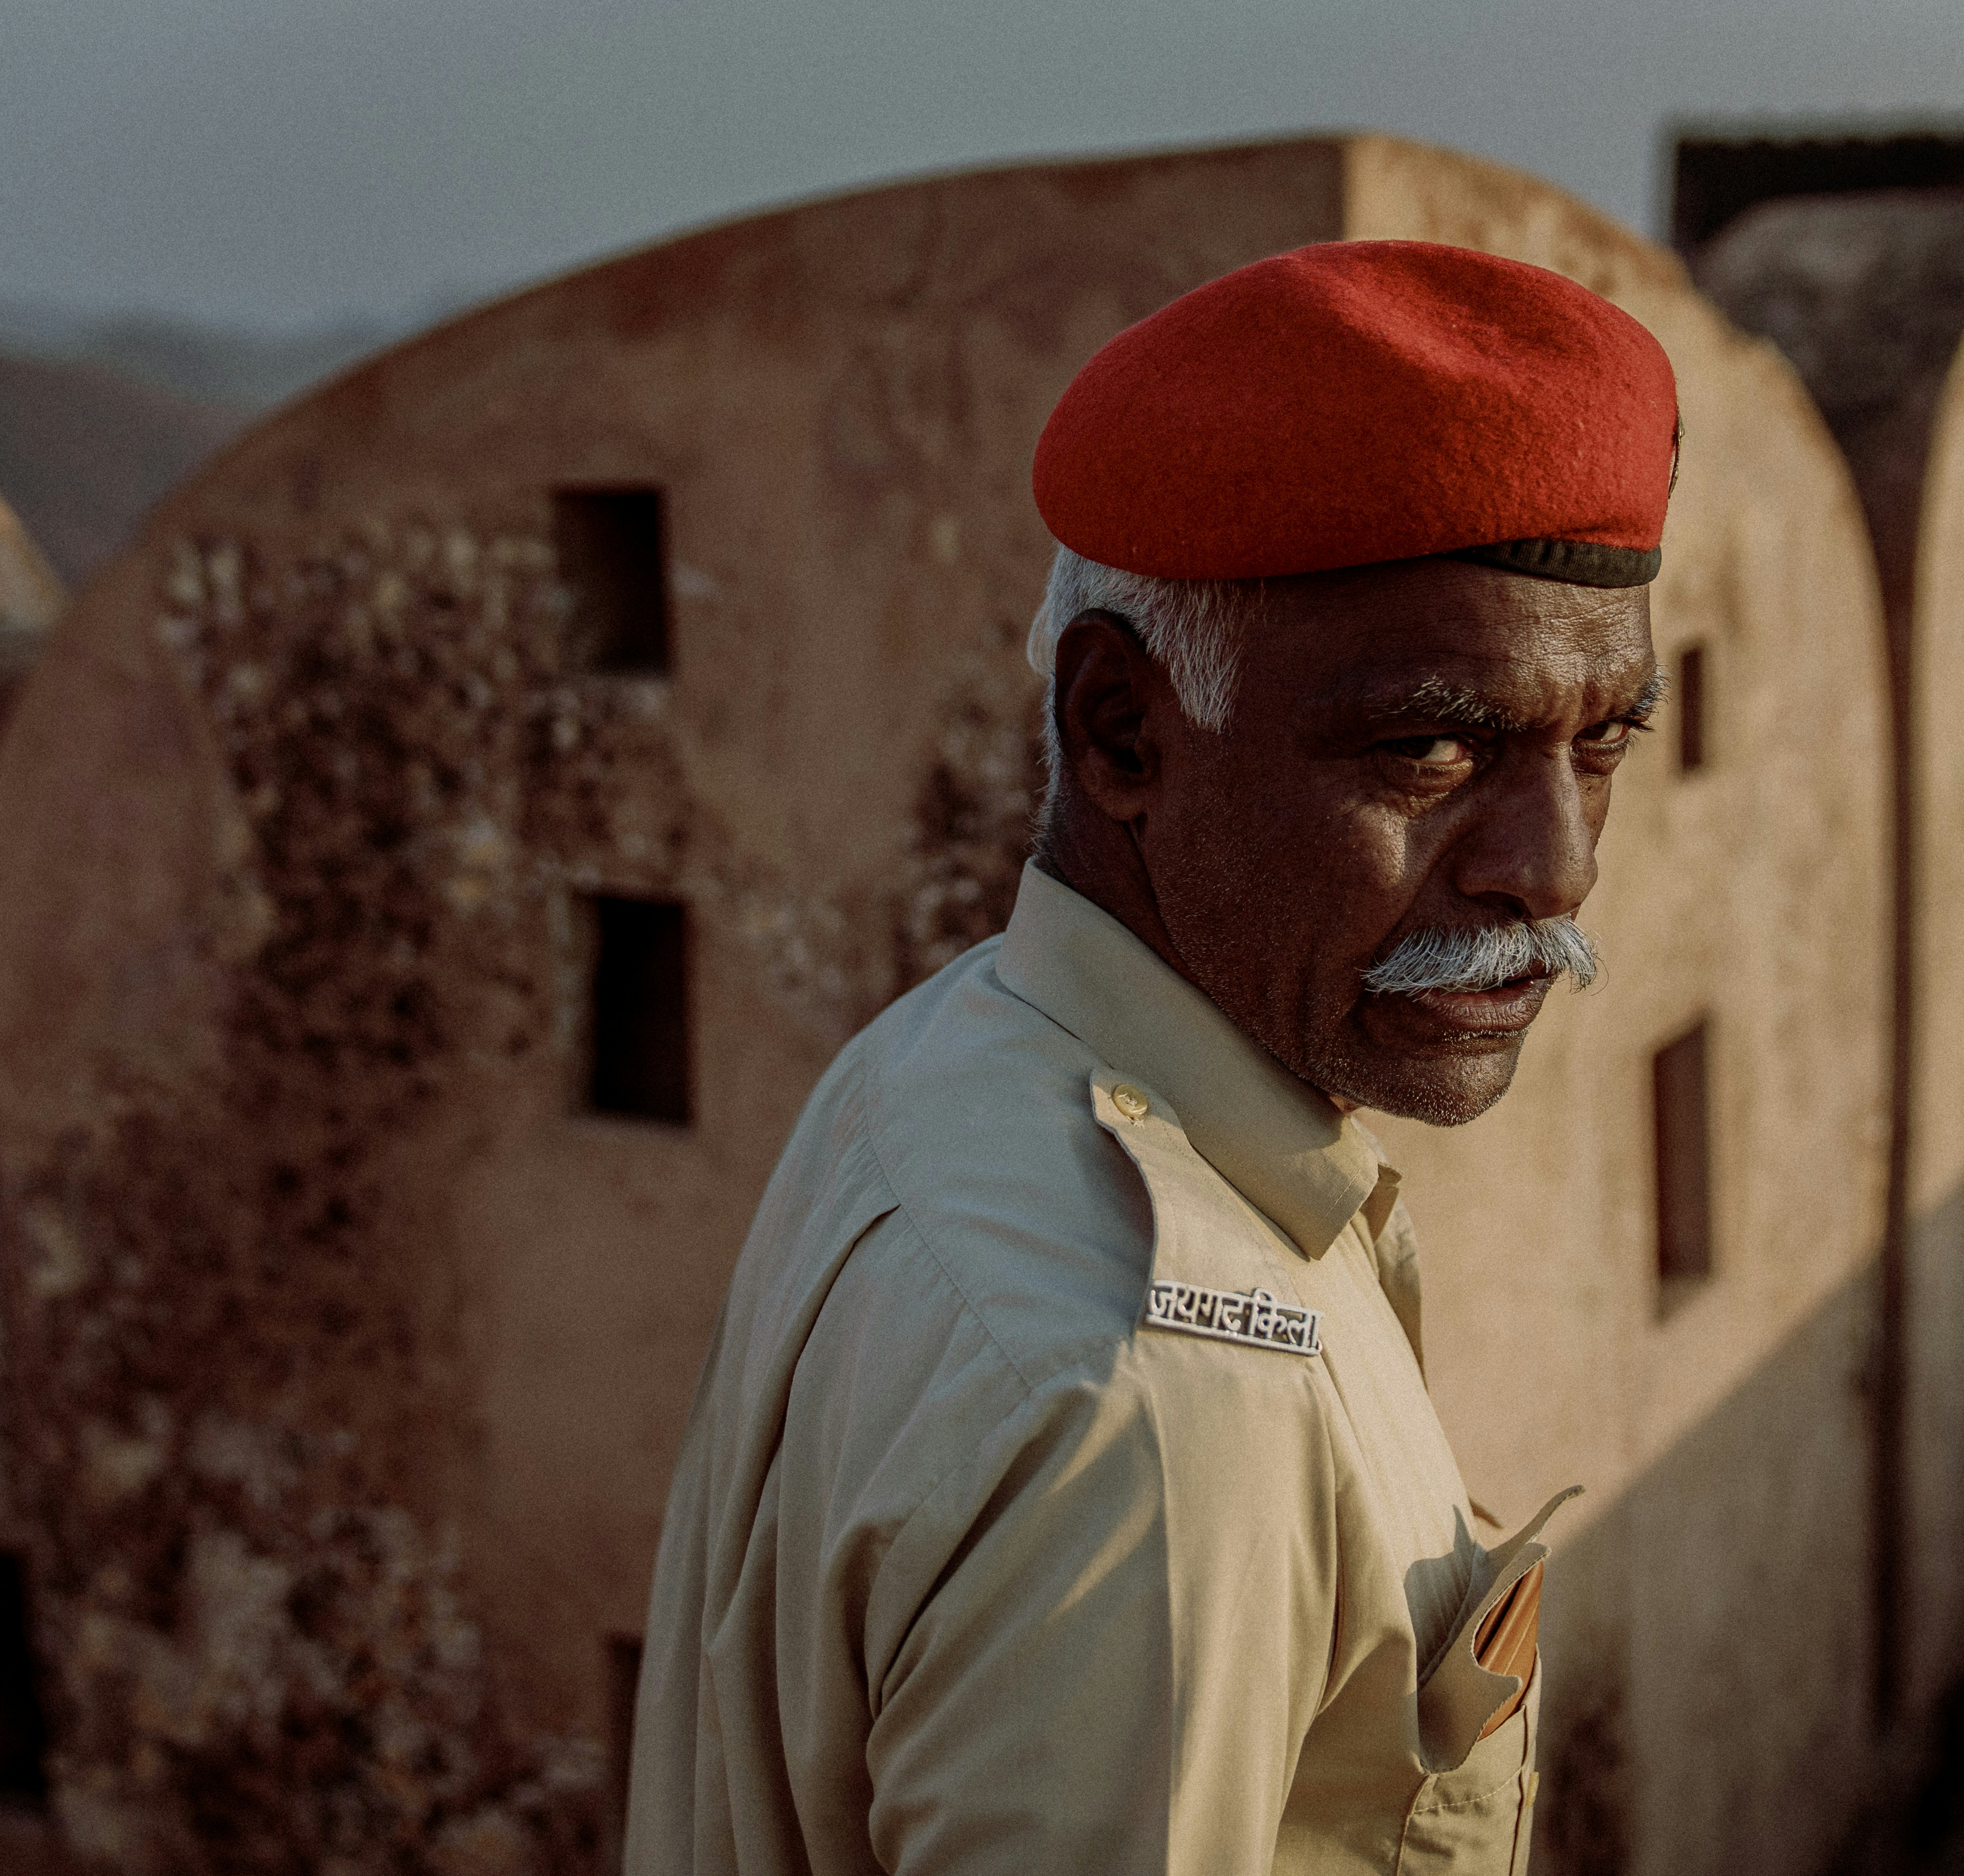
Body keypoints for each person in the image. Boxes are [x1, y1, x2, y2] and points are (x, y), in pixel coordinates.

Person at [627, 239, 1677, 1875]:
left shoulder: (949, 1056)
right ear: (1121, 730)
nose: (1552, 867)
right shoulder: (1165, 1408)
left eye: (1599, 736)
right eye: (1430, 742)